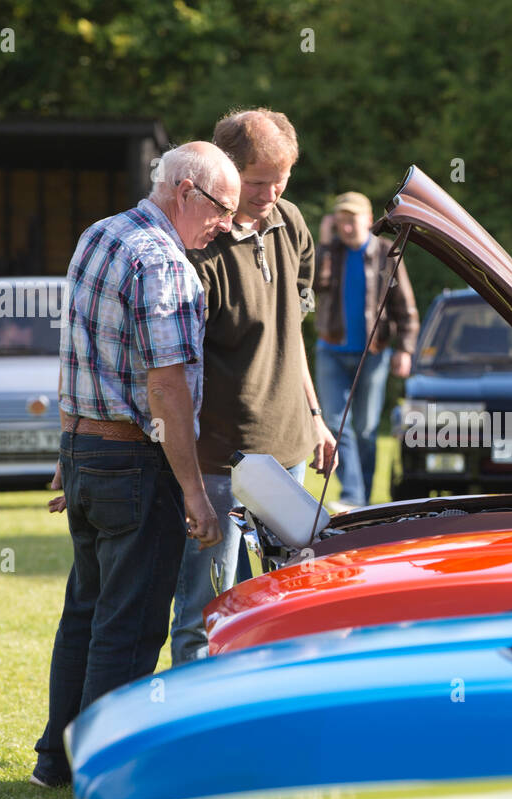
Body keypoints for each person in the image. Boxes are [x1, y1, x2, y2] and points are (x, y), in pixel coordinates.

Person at [29, 141, 240, 788]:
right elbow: (167, 387)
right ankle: (107, 774)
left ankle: (56, 762)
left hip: (86, 449)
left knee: (86, 613)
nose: (227, 224)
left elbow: (76, 353)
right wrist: (194, 492)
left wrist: (70, 449)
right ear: (187, 192)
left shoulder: (101, 234)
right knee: (130, 625)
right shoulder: (163, 262)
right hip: (133, 460)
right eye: (223, 209)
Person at [168, 108, 338, 666]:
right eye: (258, 180)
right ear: (227, 171)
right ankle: (195, 731)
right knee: (205, 611)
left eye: (281, 177)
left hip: (289, 448)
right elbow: (174, 371)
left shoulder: (292, 223)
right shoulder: (197, 246)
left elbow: (291, 330)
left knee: (291, 606)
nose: (270, 192)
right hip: (219, 459)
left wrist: (314, 415)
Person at [314, 191, 419, 508]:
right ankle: (353, 495)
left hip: (373, 354)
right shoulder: (331, 252)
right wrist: (322, 242)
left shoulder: (387, 254)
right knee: (335, 423)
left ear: (368, 219)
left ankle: (367, 500)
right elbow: (314, 285)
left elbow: (405, 308)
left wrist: (405, 349)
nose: (346, 227)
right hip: (331, 350)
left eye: (352, 220)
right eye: (341, 221)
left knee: (366, 429)